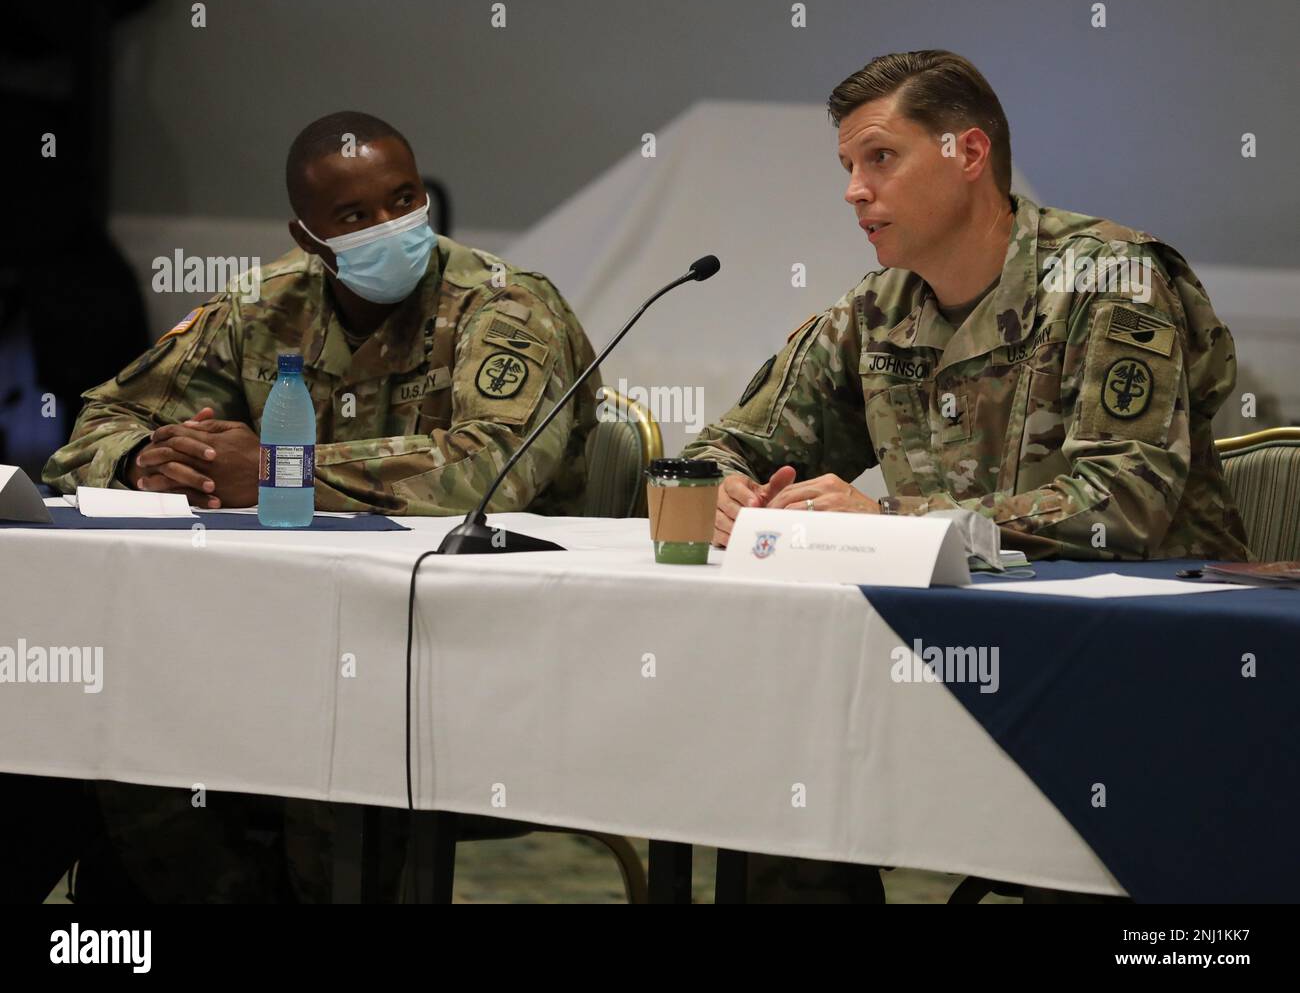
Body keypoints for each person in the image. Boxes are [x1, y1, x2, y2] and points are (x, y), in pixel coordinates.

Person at [33, 110, 600, 903]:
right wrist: (151, 461)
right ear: (309, 236)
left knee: (324, 746)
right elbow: (98, 425)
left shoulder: (504, 307)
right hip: (271, 636)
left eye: (403, 200)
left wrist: (275, 472)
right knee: (131, 743)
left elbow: (487, 470)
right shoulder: (263, 305)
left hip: (462, 649)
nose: (388, 225)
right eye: (356, 216)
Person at [684, 50, 1250, 564]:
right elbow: (724, 449)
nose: (854, 190)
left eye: (881, 157)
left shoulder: (1109, 277)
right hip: (955, 623)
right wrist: (720, 492)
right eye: (849, 167)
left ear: (970, 153)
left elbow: (1123, 505)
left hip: (1149, 628)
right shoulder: (875, 312)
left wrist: (889, 523)